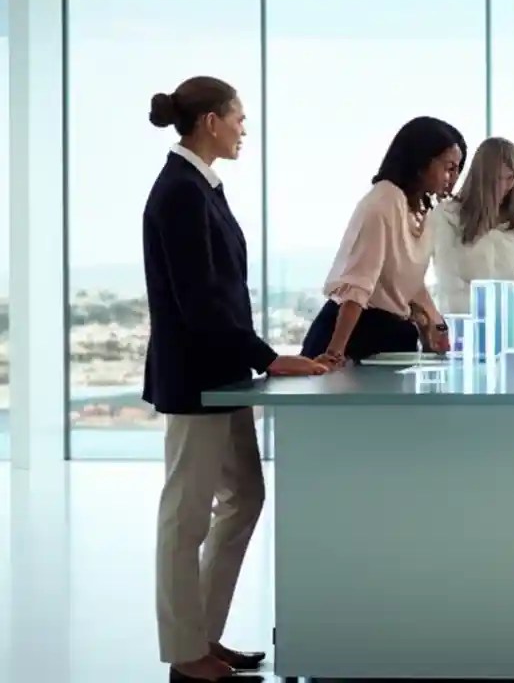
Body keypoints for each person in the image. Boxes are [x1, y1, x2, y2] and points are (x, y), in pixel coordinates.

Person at [142, 76, 329, 682]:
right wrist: (268, 357)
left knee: (244, 496)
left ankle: (204, 635)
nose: (245, 128)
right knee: (185, 518)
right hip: (198, 380)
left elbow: (218, 294)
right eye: (239, 118)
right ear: (211, 122)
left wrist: (256, 359)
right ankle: (184, 652)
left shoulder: (202, 187)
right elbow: (200, 301)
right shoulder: (179, 192)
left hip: (222, 377)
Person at [300, 116, 463, 365]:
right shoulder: (384, 201)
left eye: (458, 169)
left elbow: (409, 283)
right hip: (355, 335)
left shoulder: (422, 209)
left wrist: (435, 323)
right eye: (449, 167)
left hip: (389, 336)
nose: (453, 177)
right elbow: (358, 284)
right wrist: (335, 353)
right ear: (421, 161)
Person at [428, 136, 514, 347]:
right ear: (481, 177)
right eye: (498, 178)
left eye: (511, 178)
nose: (505, 186)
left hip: (509, 334)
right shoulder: (446, 216)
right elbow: (449, 282)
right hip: (461, 332)